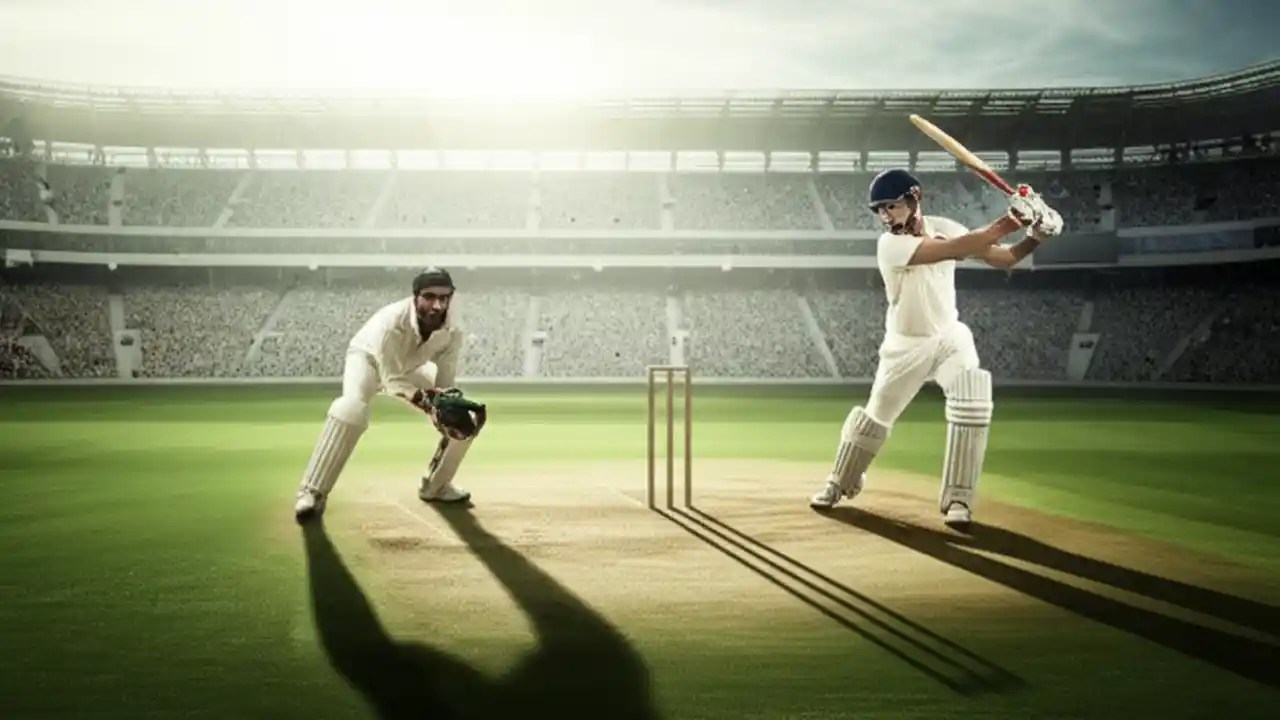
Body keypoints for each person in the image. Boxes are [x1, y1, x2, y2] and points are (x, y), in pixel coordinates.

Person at [809, 169, 1062, 527]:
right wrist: (1014, 218)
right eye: (880, 210)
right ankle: (841, 480)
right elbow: (957, 249)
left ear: (914, 199)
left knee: (973, 397)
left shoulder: (946, 224)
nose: (885, 216)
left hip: (948, 339)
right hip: (903, 346)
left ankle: (959, 498)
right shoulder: (890, 245)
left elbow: (1002, 258)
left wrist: (1035, 236)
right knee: (874, 419)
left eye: (892, 207)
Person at [293, 266, 485, 522]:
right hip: (368, 360)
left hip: (409, 367)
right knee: (351, 409)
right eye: (429, 296)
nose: (437, 305)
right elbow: (391, 379)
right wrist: (425, 400)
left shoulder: (454, 329)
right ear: (415, 296)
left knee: (460, 416)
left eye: (443, 297)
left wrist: (445, 403)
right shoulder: (392, 322)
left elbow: (445, 379)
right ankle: (312, 492)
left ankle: (436, 486)